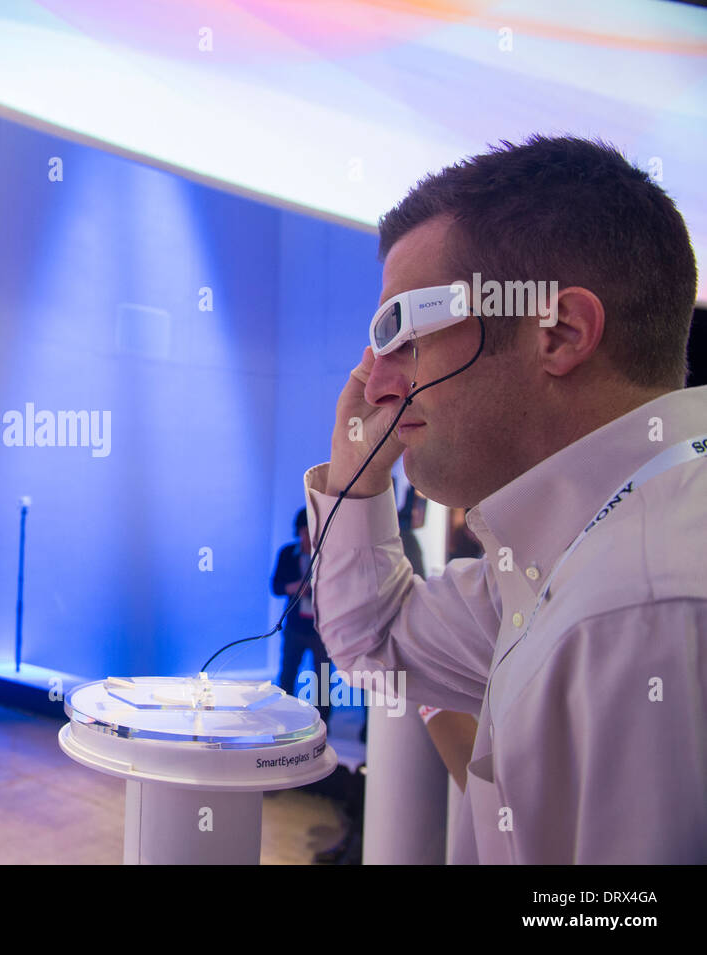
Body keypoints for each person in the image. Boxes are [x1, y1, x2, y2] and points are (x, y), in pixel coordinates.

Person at [302, 135, 706, 863]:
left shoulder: (638, 605)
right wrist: (358, 475)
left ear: (560, 332)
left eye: (405, 331)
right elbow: (378, 641)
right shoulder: (578, 549)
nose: (375, 380)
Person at [272, 508, 332, 729]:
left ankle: (323, 724)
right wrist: (294, 587)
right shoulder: (288, 554)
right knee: (288, 673)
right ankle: (282, 719)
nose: (308, 537)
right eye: (304, 532)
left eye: (312, 532)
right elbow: (276, 586)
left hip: (322, 628)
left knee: (323, 679)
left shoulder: (327, 555)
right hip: (295, 627)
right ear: (298, 531)